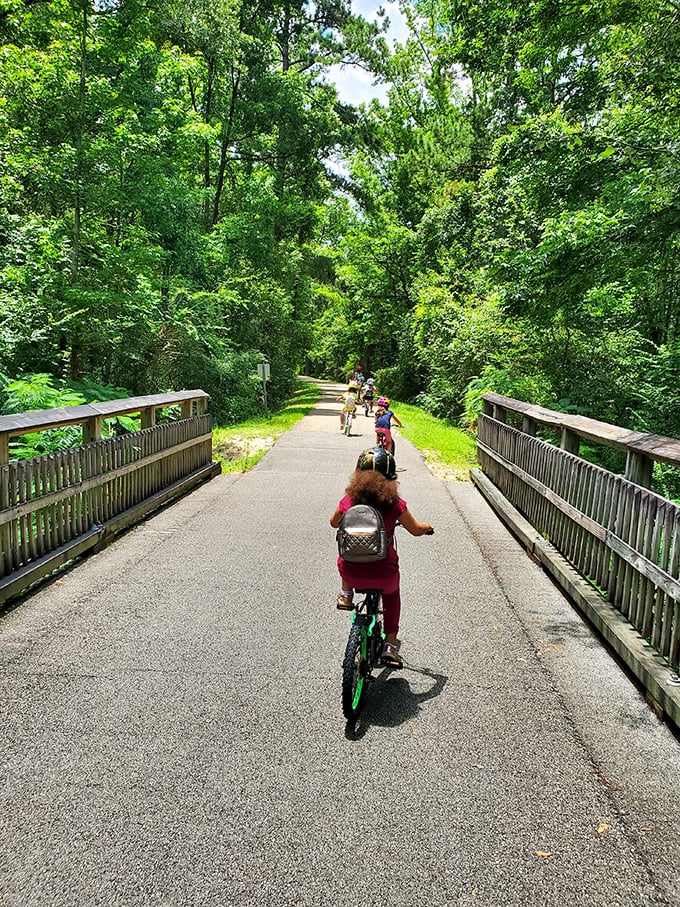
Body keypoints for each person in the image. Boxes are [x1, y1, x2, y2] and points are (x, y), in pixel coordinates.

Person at [329, 447, 434, 668]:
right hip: (384, 574)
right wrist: (428, 527)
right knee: (392, 595)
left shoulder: (348, 501)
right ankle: (390, 645)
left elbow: (333, 523)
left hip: (351, 572)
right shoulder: (395, 503)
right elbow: (416, 530)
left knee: (344, 558)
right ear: (390, 475)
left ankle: (346, 595)